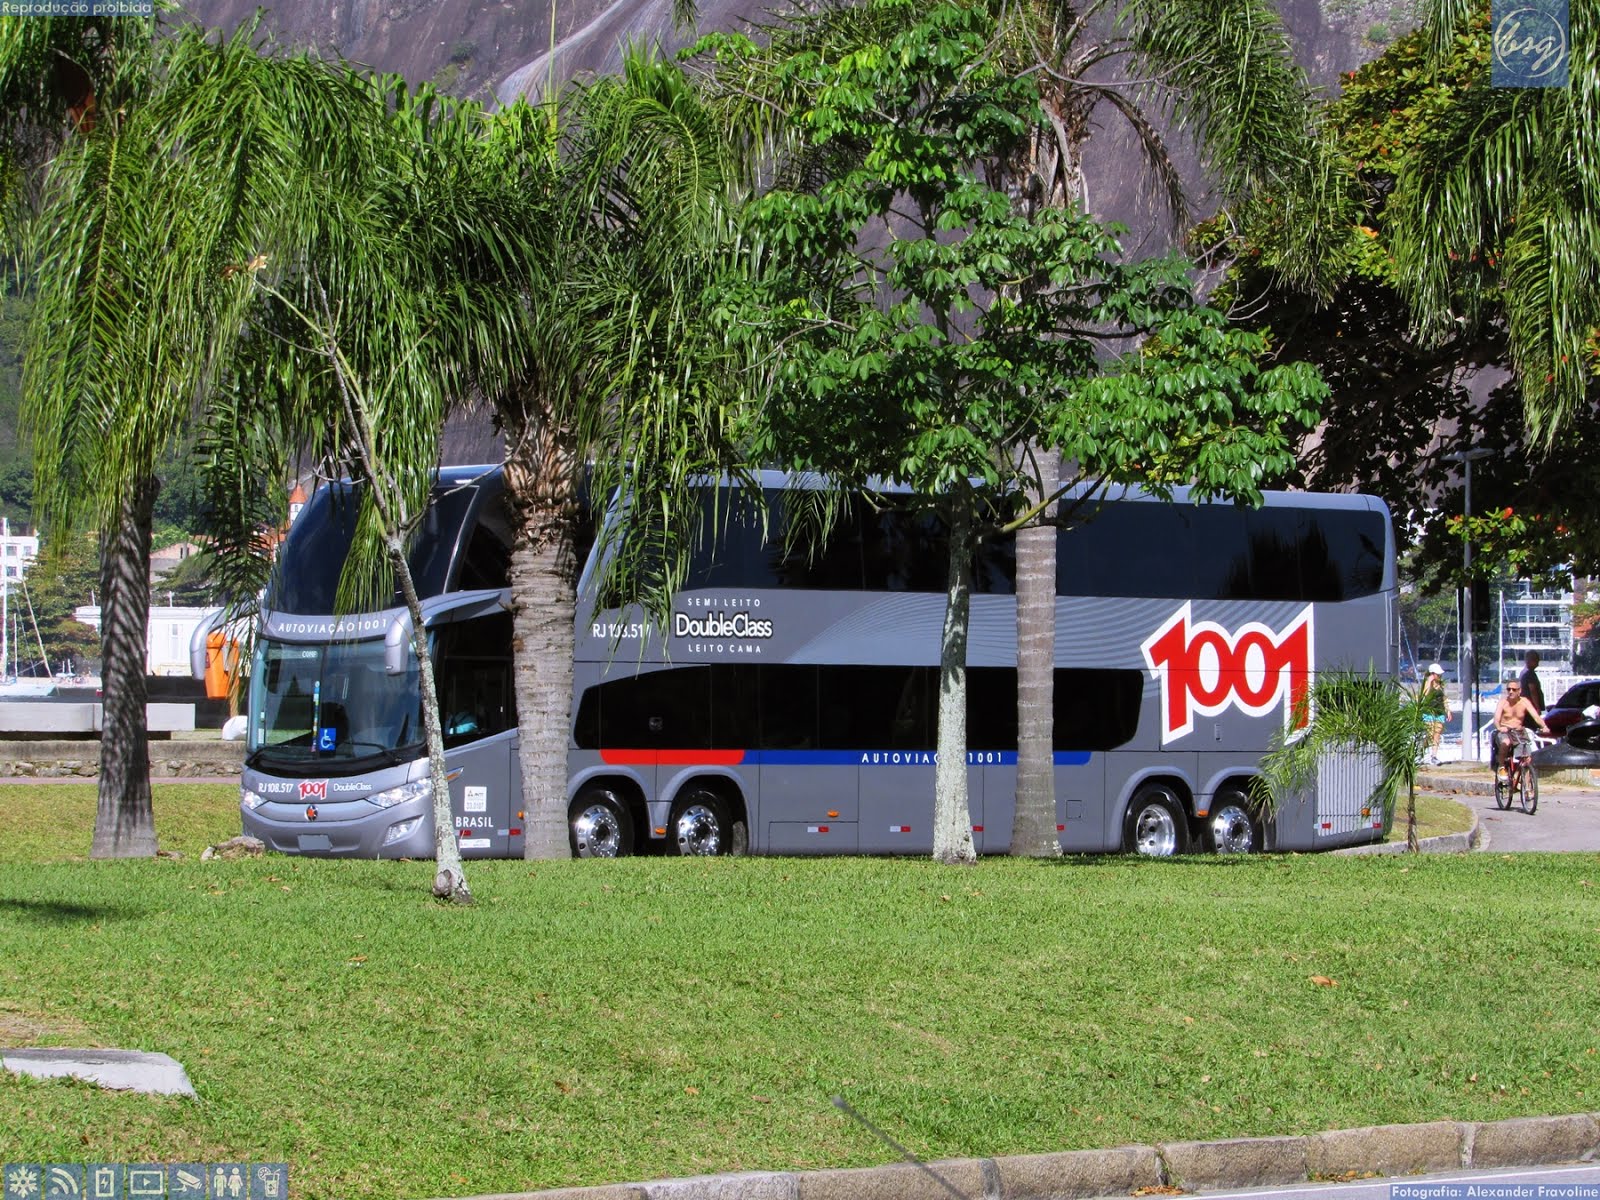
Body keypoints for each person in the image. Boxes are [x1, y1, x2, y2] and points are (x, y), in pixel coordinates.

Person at [1493, 680, 1549, 774]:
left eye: (1514, 689)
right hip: (1505, 730)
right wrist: (1499, 727)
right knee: (1506, 742)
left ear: (1519, 691)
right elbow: (1496, 718)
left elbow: (1536, 716)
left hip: (1519, 731)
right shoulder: (1503, 702)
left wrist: (1544, 726)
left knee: (1527, 758)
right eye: (1509, 689)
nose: (1511, 691)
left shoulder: (1524, 702)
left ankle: (1527, 780)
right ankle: (1501, 767)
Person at [1418, 663, 1450, 765]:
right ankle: (1420, 753)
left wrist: (1448, 710)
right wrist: (1429, 682)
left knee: (1437, 734)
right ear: (1432, 674)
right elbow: (1424, 695)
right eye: (1437, 674)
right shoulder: (1427, 683)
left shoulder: (1441, 685)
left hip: (1439, 712)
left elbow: (1444, 697)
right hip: (1429, 711)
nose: (1439, 676)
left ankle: (1434, 756)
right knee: (1429, 734)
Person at [1519, 650, 1545, 715]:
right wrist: (1537, 707)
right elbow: (1533, 691)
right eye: (1536, 661)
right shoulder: (1530, 674)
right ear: (1531, 661)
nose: (1538, 665)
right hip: (1531, 707)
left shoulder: (1523, 672)